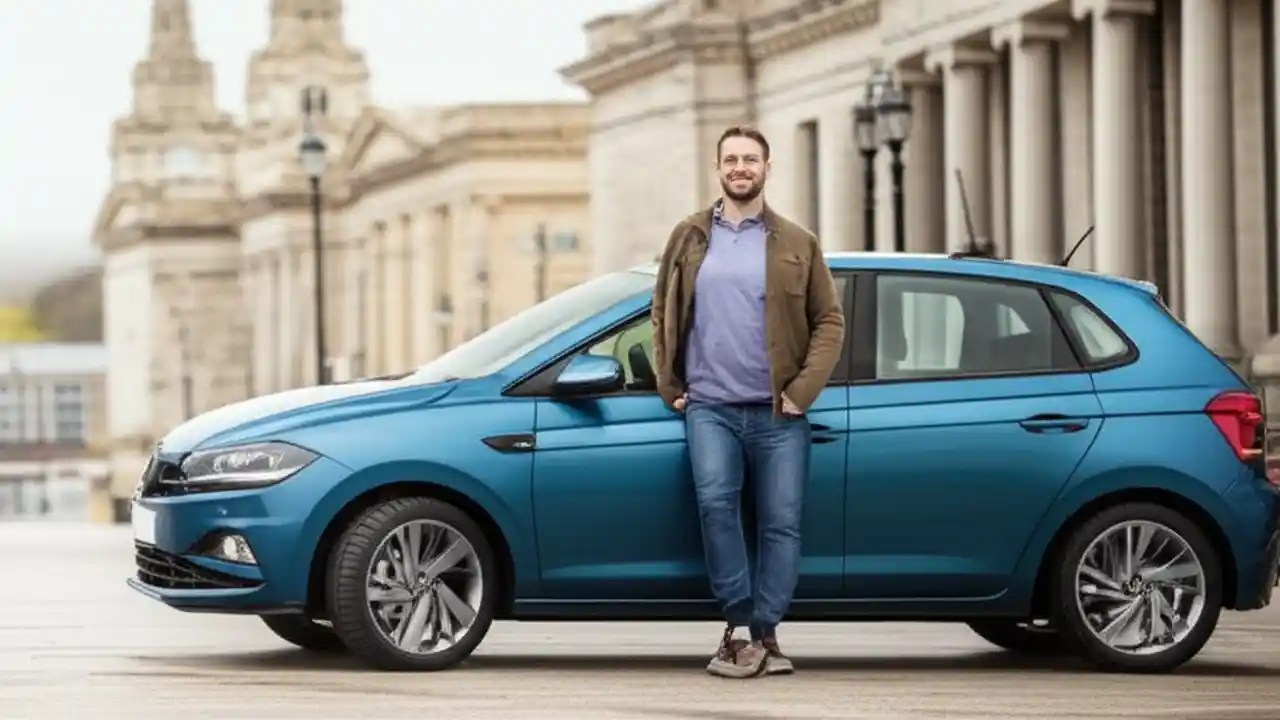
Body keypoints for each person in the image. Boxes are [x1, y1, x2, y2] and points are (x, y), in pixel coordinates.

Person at [651, 125, 845, 678]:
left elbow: (829, 320)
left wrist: (802, 392)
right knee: (717, 510)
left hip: (778, 412)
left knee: (781, 524)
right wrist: (669, 383)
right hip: (709, 408)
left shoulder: (797, 242)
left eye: (750, 159)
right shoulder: (689, 235)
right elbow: (661, 310)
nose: (741, 168)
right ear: (718, 168)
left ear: (767, 167)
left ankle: (765, 632)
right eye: (731, 159)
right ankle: (740, 624)